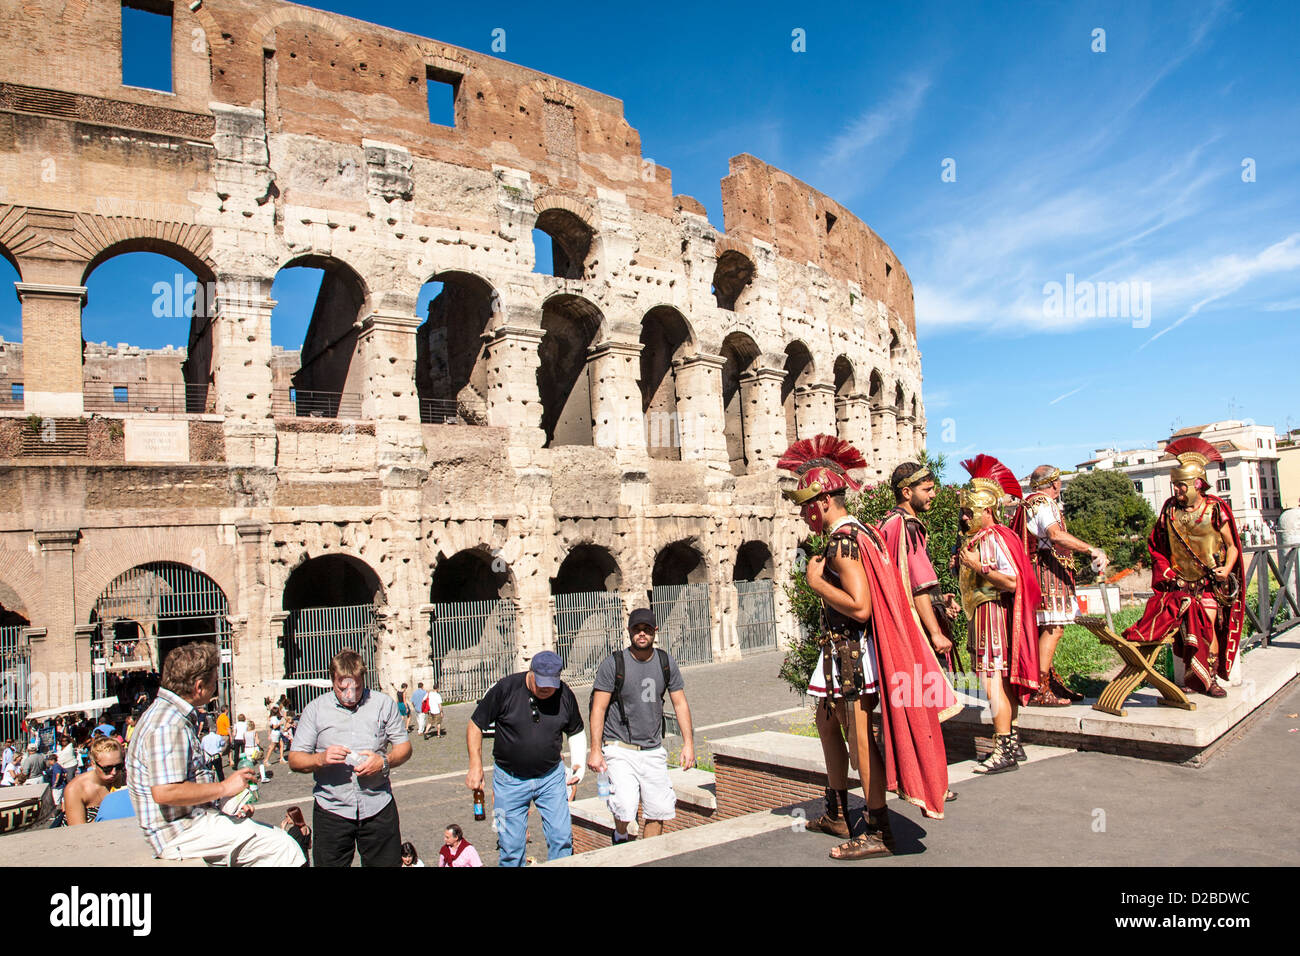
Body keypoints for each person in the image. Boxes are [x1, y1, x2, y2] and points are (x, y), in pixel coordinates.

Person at [778, 435, 955, 860]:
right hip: (840, 653)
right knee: (825, 723)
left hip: (854, 656)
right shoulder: (860, 531)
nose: (804, 515)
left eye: (806, 506)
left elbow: (860, 607)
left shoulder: (843, 542)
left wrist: (817, 584)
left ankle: (879, 829)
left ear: (821, 502)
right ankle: (837, 809)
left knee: (861, 741)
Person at [125, 641, 304, 866]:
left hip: (191, 822)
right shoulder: (168, 724)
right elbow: (165, 791)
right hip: (180, 832)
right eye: (213, 683)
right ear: (199, 686)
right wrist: (224, 787)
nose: (215, 688)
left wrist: (226, 802)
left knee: (269, 838)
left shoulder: (169, 715)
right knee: (284, 849)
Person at [1123, 438, 1244, 698]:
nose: (1176, 490)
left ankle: (1209, 679)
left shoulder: (1215, 509)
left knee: (1207, 627)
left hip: (1209, 582)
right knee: (1185, 633)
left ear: (1197, 484)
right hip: (1180, 583)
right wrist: (1165, 571)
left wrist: (1227, 569)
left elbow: (1233, 546)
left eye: (1181, 485)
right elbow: (1156, 545)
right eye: (1175, 485)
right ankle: (1192, 677)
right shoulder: (1169, 510)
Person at [955, 455, 1041, 773]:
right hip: (985, 615)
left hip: (993, 616)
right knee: (999, 681)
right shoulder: (986, 538)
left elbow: (1014, 581)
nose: (964, 518)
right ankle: (1011, 741)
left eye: (969, 511)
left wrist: (979, 567)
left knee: (992, 681)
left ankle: (1002, 746)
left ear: (987, 510)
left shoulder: (994, 538)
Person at [287, 648, 413, 867]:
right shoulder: (315, 710)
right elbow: (295, 759)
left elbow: (405, 747)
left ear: (364, 678)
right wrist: (320, 759)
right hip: (331, 808)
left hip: (378, 805)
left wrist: (384, 761)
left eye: (356, 687)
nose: (349, 695)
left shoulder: (383, 704)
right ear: (332, 680)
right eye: (342, 688)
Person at [466, 651, 585, 866]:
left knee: (562, 838)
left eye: (551, 684)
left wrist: (578, 764)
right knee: (510, 848)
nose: (546, 689)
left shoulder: (565, 694)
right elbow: (475, 724)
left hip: (551, 778)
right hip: (508, 781)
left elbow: (575, 730)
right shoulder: (505, 689)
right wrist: (475, 765)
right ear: (531, 673)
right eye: (541, 683)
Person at [587, 607, 695, 844]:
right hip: (619, 747)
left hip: (653, 748)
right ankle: (622, 835)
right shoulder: (613, 664)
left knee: (658, 810)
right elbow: (599, 708)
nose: (642, 634)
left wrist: (689, 744)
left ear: (655, 631)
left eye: (647, 629)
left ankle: (648, 854)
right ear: (629, 632)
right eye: (637, 630)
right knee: (625, 806)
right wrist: (595, 749)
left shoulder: (666, 662)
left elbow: (680, 704)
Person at [1010, 465, 1109, 706]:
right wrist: (1091, 549)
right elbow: (1055, 535)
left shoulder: (1028, 503)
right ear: (1055, 484)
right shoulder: (1045, 503)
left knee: (1042, 629)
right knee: (1054, 628)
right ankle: (1040, 688)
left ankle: (1047, 681)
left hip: (1034, 570)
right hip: (1045, 571)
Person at [878, 461, 960, 667]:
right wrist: (935, 634)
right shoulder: (909, 526)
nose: (933, 495)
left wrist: (938, 599)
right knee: (934, 696)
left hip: (899, 630)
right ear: (907, 492)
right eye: (927, 490)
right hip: (918, 632)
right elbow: (918, 587)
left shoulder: (887, 522)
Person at [62, 737, 126, 824]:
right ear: (93, 764)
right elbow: (77, 830)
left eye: (119, 766)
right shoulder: (76, 789)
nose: (114, 772)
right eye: (107, 768)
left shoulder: (126, 780)